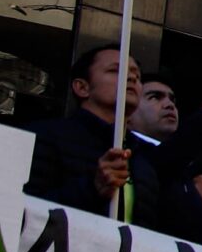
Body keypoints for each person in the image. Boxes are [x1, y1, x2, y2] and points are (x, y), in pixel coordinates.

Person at [26, 44, 156, 220]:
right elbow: (22, 210)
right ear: (82, 87)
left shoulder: (144, 157)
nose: (132, 77)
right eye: (115, 70)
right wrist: (92, 188)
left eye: (137, 75)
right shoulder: (45, 136)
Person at [129, 69, 202, 234]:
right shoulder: (128, 152)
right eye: (154, 97)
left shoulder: (184, 165)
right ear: (128, 112)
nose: (169, 105)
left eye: (172, 99)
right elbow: (161, 163)